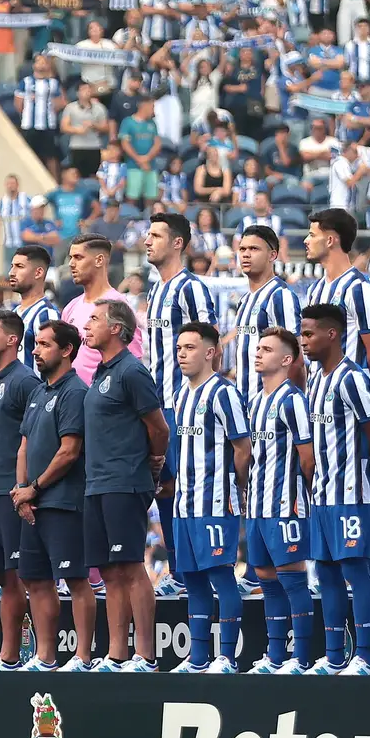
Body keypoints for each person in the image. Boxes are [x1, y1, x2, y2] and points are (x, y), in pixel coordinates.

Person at [299, 304, 370, 675]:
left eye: (308, 334)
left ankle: (365, 657)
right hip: (322, 495)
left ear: (332, 334)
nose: (303, 342)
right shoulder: (316, 379)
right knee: (326, 573)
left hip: (352, 495)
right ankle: (335, 656)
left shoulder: (353, 377)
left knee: (354, 572)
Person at [81, 298, 168, 671]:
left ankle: (145, 654)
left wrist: (152, 465)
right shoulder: (102, 372)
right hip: (96, 483)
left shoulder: (132, 371)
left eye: (95, 319)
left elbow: (158, 427)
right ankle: (117, 653)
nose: (87, 325)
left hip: (124, 482)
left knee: (131, 566)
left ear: (116, 328)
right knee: (110, 569)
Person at [166, 321, 252, 675]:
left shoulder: (223, 392)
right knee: (193, 580)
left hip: (215, 502)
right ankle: (198, 658)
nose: (182, 354)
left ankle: (227, 658)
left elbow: (243, 447)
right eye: (179, 348)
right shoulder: (179, 393)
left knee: (221, 577)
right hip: (183, 505)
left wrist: (236, 487)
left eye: (189, 348)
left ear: (211, 352)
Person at [14, 319, 94, 672]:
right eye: (36, 343)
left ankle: (83, 657)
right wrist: (22, 494)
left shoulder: (75, 391)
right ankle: (45, 656)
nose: (35, 350)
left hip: (63, 501)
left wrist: (37, 487)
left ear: (66, 350)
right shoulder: (38, 391)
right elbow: (24, 446)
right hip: (33, 503)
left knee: (75, 579)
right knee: (35, 579)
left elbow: (69, 450)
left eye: (44, 344)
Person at [143, 211, 218, 565]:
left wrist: (201, 402)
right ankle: (177, 569)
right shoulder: (156, 290)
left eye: (156, 235)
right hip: (155, 407)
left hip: (182, 407)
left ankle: (194, 570)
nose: (147, 241)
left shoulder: (192, 288)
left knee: (185, 489)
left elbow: (209, 347)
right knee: (164, 488)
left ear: (177, 243)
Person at [242, 327, 315, 675]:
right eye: (257, 347)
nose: (258, 353)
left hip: (286, 506)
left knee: (292, 579)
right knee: (267, 581)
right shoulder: (254, 401)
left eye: (267, 349)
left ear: (286, 360)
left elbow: (308, 457)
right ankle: (274, 657)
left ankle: (301, 659)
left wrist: (303, 498)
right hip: (257, 507)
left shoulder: (293, 399)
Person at [0, 309, 39, 669]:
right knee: (1, 578)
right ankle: (9, 652)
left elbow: (34, 439)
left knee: (19, 576)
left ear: (13, 339)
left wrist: (25, 487)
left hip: (10, 493)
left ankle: (16, 653)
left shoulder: (24, 381)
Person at [304, 209, 370, 382]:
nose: (306, 241)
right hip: (318, 398)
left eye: (312, 235)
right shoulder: (315, 290)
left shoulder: (358, 289)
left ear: (330, 240)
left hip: (348, 401)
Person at [59, 235, 140, 385]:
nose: (71, 264)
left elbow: (134, 362)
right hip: (72, 400)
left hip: (103, 401)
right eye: (70, 257)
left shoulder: (118, 305)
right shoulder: (71, 307)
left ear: (99, 260)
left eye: (78, 257)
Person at [231, 226, 302, 394]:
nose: (246, 254)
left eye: (254, 249)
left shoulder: (280, 296)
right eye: (242, 249)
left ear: (273, 255)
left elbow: (295, 361)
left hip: (270, 407)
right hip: (244, 404)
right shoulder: (245, 300)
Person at [6, 246, 59, 372]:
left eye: (19, 266)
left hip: (34, 390)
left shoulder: (46, 314)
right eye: (12, 266)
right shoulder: (13, 314)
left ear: (38, 273)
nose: (11, 272)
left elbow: (53, 364)